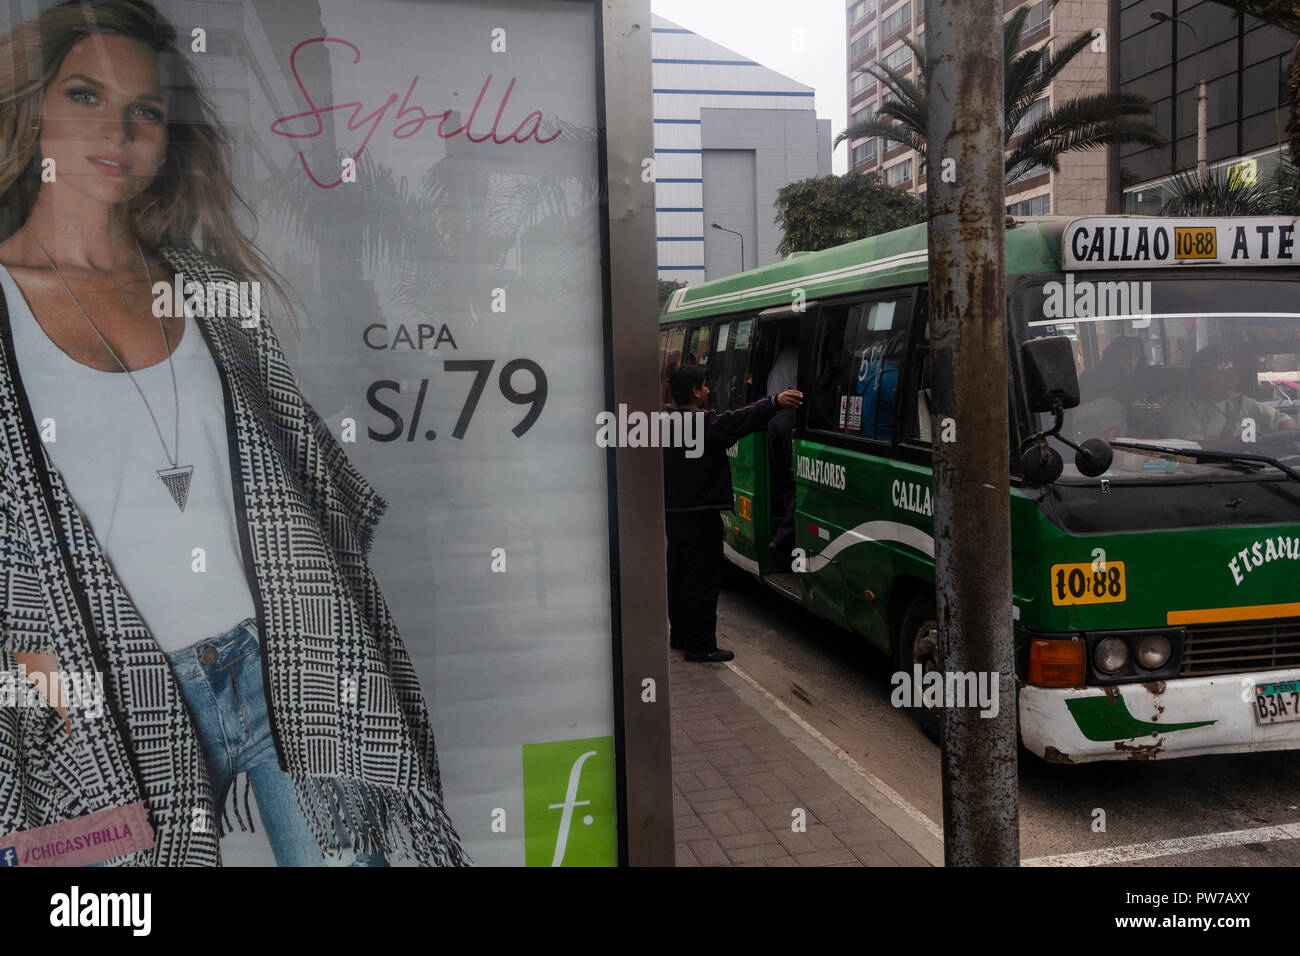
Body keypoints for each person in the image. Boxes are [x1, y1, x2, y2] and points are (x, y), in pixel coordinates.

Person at [0, 0, 464, 867]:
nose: (121, 128)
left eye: (145, 110)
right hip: (98, 685)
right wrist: (26, 654)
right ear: (33, 111)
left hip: (277, 658)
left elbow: (294, 471)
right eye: (86, 95)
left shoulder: (206, 285)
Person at [664, 365, 801, 662]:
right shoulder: (701, 423)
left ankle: (681, 636)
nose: (709, 390)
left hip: (674, 514)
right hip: (700, 516)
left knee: (678, 576)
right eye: (704, 385)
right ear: (695, 391)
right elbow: (736, 421)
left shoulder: (665, 421)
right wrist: (773, 403)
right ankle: (701, 646)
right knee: (701, 581)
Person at [1166, 344, 1297, 444]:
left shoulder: (1243, 403)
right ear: (1201, 376)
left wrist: (1283, 440)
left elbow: (1284, 420)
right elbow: (1193, 448)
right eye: (1223, 375)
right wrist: (1246, 442)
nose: (1231, 381)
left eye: (1235, 374)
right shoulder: (1184, 407)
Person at [765, 336, 799, 558]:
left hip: (772, 417)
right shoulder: (802, 352)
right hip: (788, 417)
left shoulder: (785, 350)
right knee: (796, 480)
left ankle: (781, 536)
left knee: (784, 481)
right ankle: (784, 539)